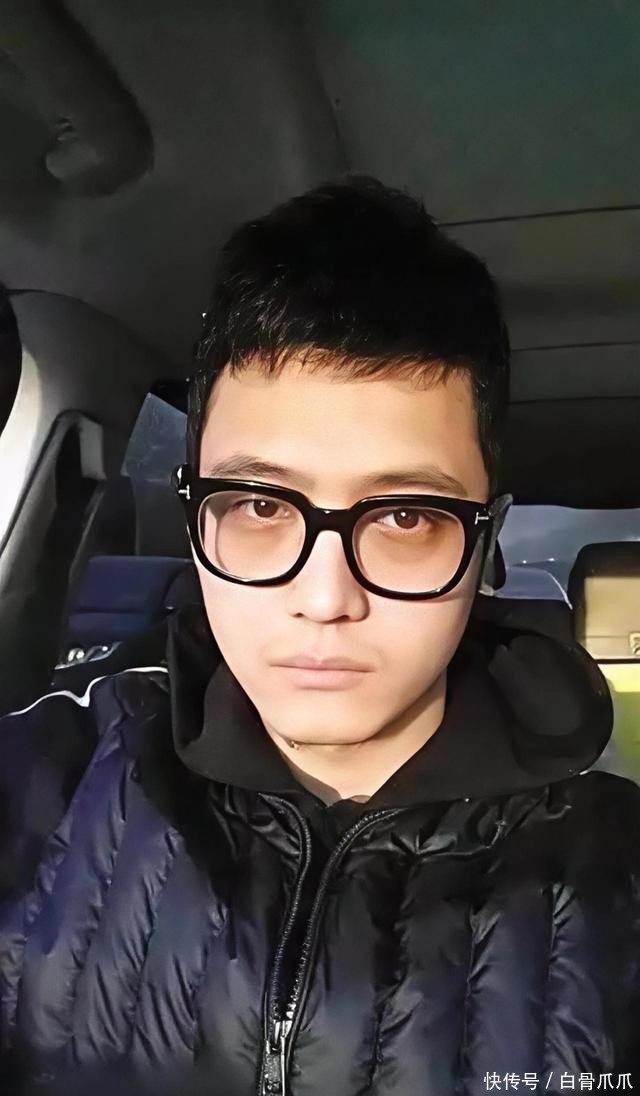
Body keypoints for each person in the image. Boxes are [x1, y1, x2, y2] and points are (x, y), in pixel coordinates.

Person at [1, 177, 638, 1096]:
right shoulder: (52, 781)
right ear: (196, 520)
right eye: (261, 505)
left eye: (407, 517)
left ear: (484, 545)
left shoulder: (617, 881)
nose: (325, 596)